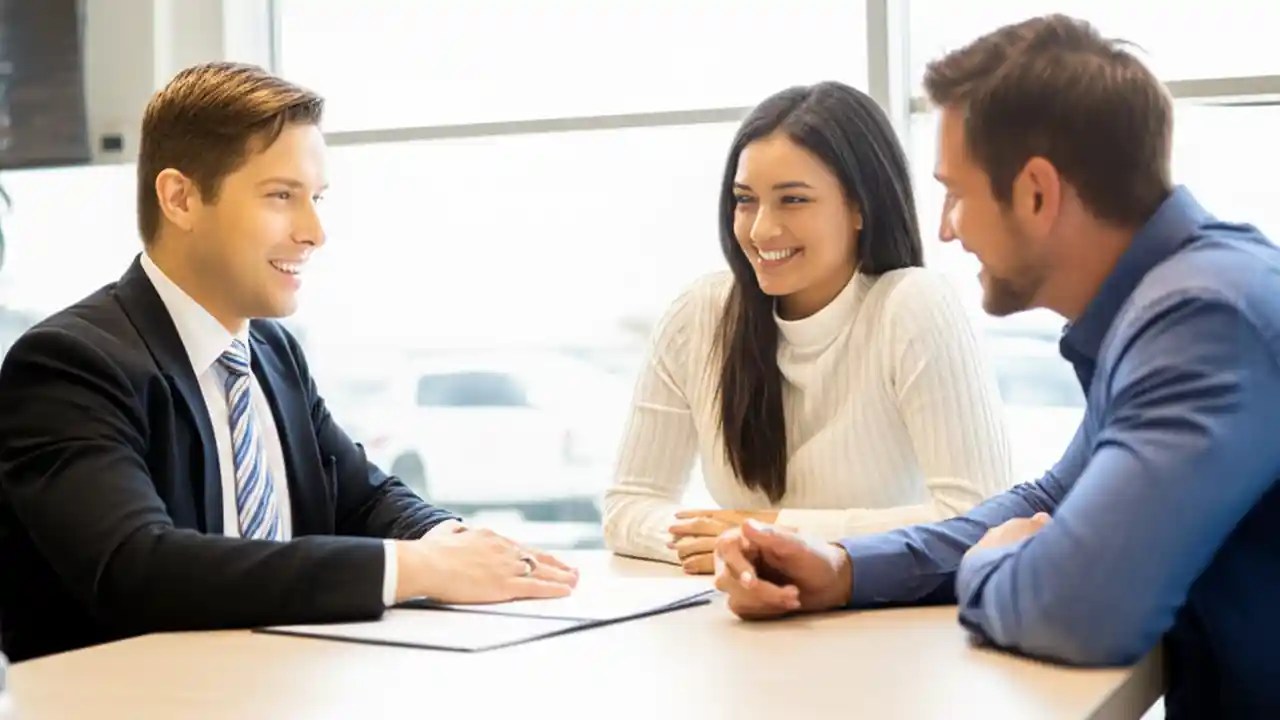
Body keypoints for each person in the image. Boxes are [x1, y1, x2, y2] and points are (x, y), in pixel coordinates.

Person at [712, 15, 1280, 719]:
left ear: (1036, 193)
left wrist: (990, 562)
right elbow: (1046, 500)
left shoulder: (1204, 319)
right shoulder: (1180, 298)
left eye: (957, 192)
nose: (947, 227)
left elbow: (1079, 611)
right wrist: (842, 567)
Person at [0, 62, 577, 662]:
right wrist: (416, 567)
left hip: (274, 688)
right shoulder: (70, 364)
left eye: (317, 199)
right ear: (180, 198)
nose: (314, 232)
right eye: (282, 196)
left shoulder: (272, 354)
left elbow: (361, 497)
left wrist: (452, 543)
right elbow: (140, 567)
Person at [604, 81, 1012, 574]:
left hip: (884, 627)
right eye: (745, 200)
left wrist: (771, 535)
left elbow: (979, 517)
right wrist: (737, 544)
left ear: (860, 206)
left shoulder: (913, 305)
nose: (760, 230)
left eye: (793, 200)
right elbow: (630, 505)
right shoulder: (701, 314)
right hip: (744, 624)